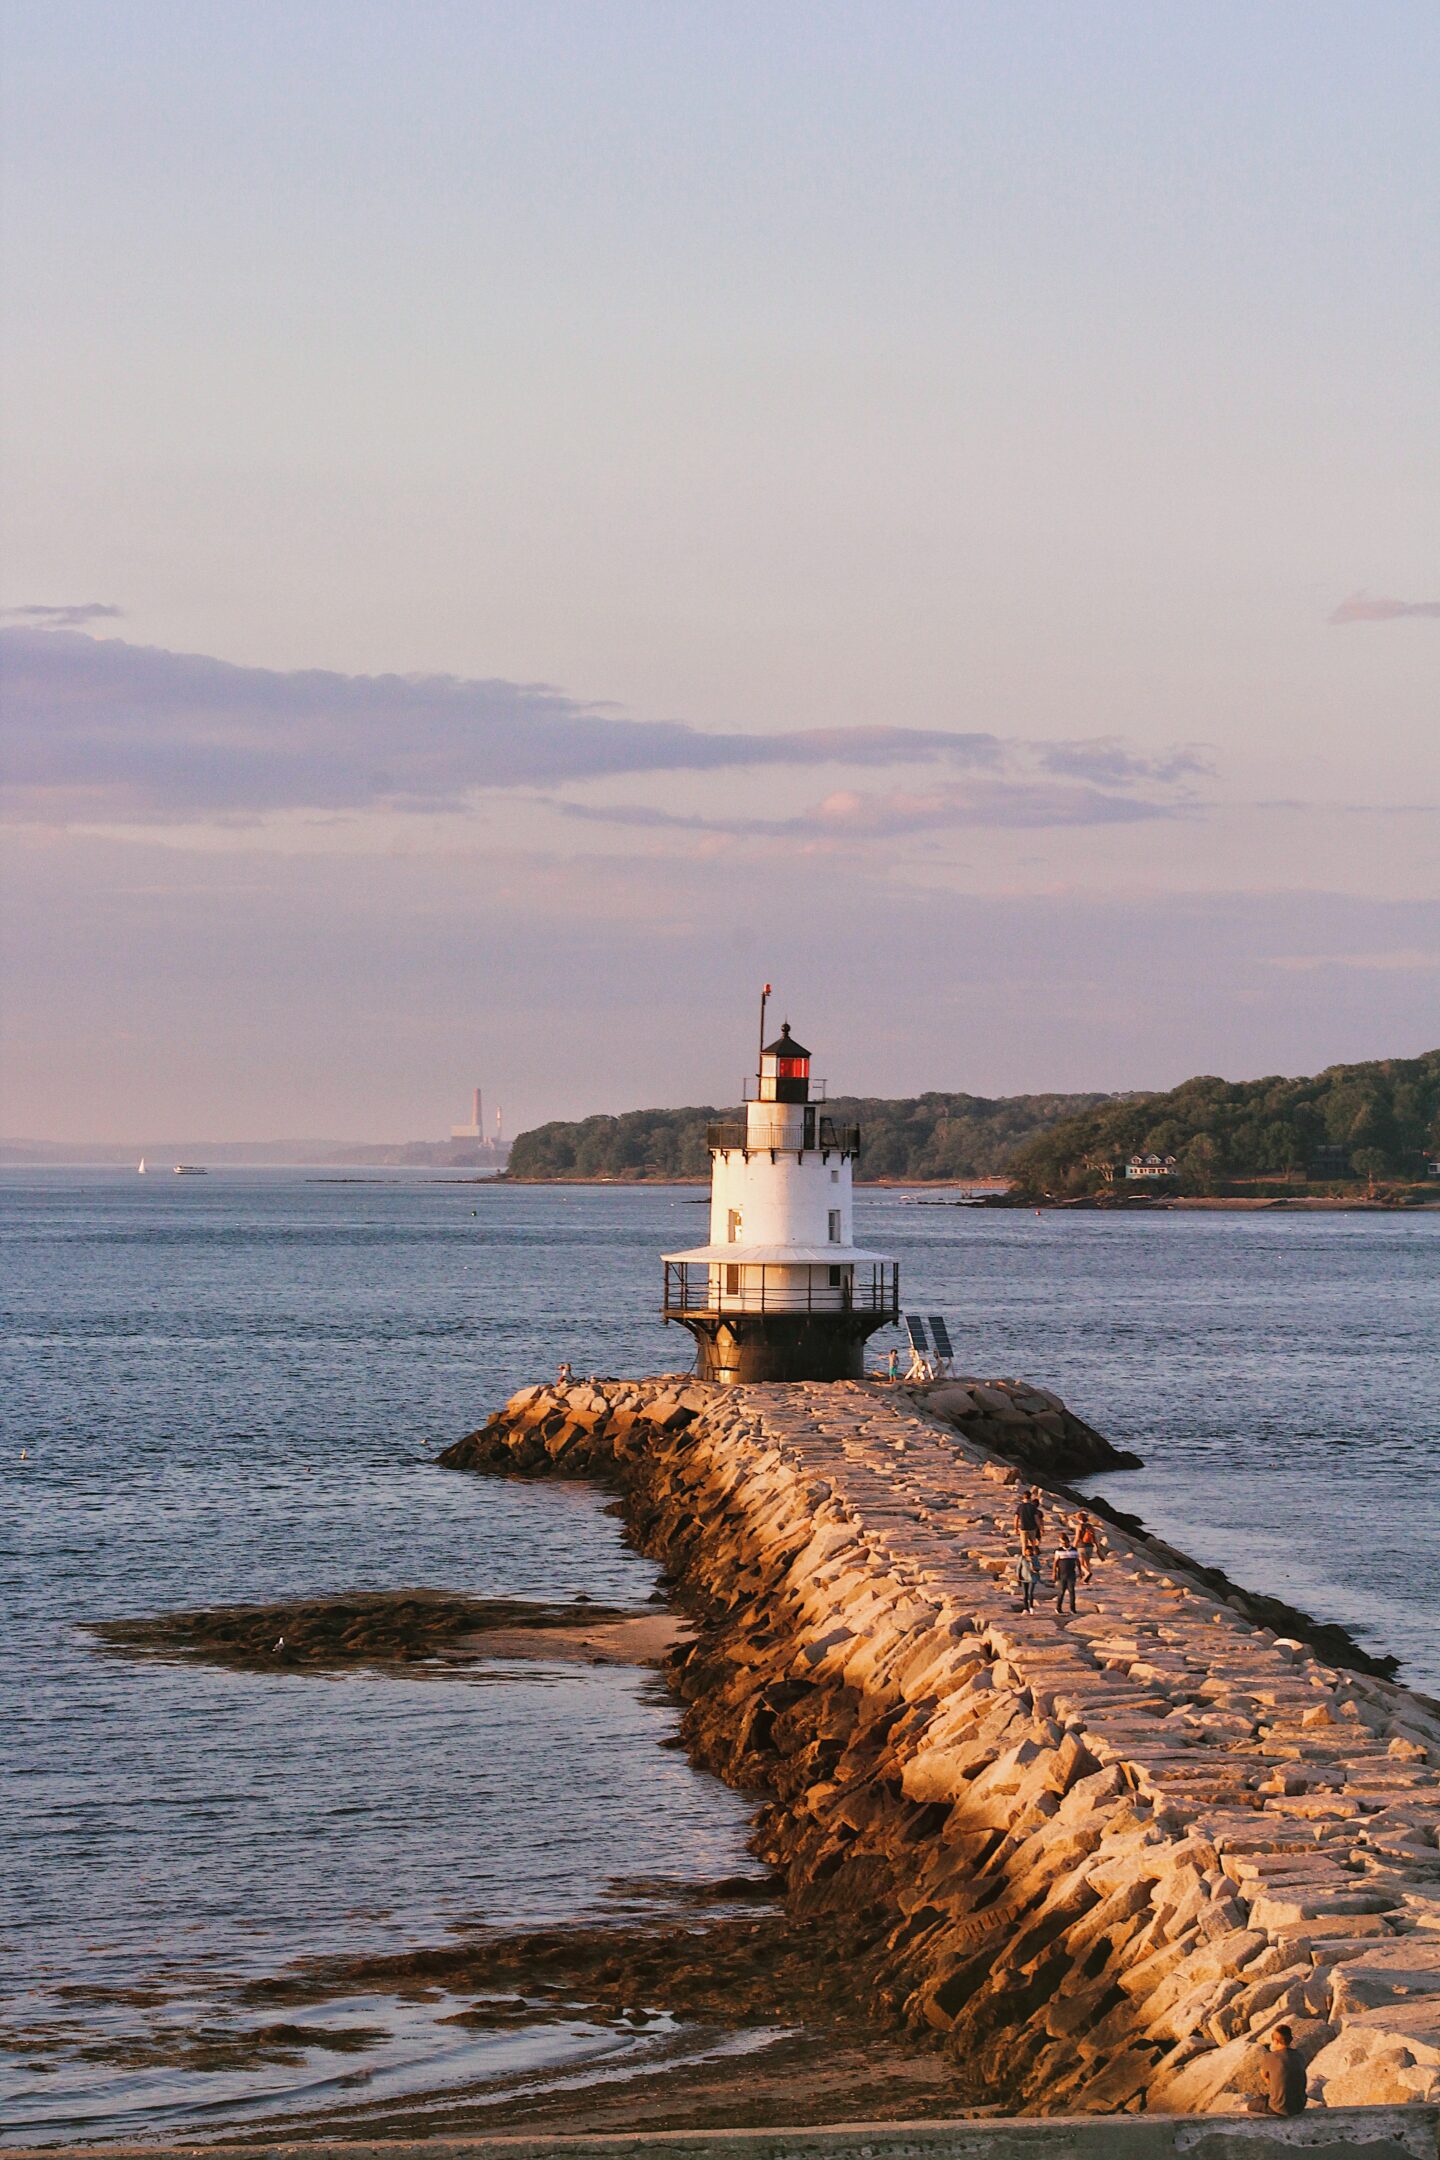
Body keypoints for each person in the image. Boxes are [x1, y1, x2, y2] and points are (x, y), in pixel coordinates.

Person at [1246, 2025, 1307, 2116]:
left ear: (1275, 2041)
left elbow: (1265, 2077)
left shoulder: (1270, 2057)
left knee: (1251, 2104)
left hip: (1279, 2108)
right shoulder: (1299, 2055)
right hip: (1299, 2107)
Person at [1052, 1536, 1081, 1613]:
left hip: (1071, 1574)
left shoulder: (1074, 1550)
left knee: (1072, 1591)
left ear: (1068, 1541)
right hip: (1061, 1574)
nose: (1063, 1544)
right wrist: (1054, 1572)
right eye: (1062, 1543)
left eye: (1065, 1543)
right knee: (1061, 1591)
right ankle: (1058, 1608)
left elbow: (1077, 1561)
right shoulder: (1058, 1551)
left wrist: (1080, 1571)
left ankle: (1072, 1609)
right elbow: (1055, 1562)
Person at [1013, 1487, 1044, 1553]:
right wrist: (1040, 1528)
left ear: (1023, 1497)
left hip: (1023, 1528)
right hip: (1032, 1528)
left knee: (1024, 1544)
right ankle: (1034, 1557)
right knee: (1033, 1543)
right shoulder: (1033, 1507)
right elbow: (1036, 1519)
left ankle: (1024, 1557)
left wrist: (1016, 1528)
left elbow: (1016, 1518)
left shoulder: (1020, 1507)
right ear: (1030, 1497)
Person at [1073, 1511, 1100, 1581]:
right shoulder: (1090, 1526)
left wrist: (1073, 1547)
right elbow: (1094, 1537)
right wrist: (1097, 1546)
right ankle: (1086, 1578)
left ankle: (1087, 1573)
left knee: (1081, 1563)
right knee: (1087, 1562)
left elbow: (1077, 1537)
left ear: (1079, 1519)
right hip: (1090, 1546)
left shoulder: (1079, 1526)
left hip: (1081, 1546)